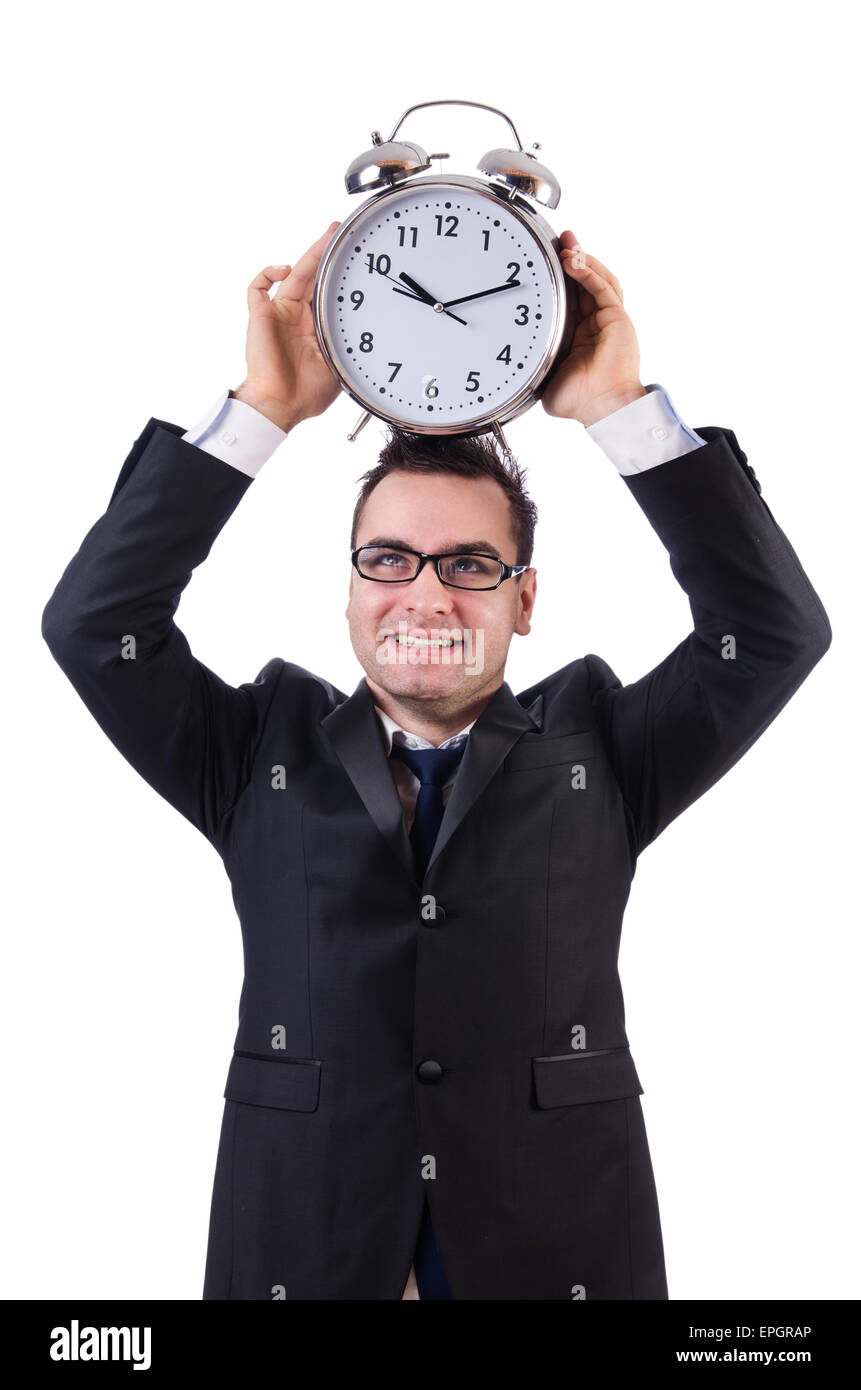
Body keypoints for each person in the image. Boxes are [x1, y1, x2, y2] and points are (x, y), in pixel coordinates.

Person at [41, 220, 831, 1300]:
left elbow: (773, 633)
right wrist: (263, 413)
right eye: (390, 559)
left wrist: (618, 410)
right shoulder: (252, 754)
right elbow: (96, 626)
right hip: (304, 1252)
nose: (425, 594)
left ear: (526, 596)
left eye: (469, 563)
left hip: (554, 1256)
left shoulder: (605, 747)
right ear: (352, 588)